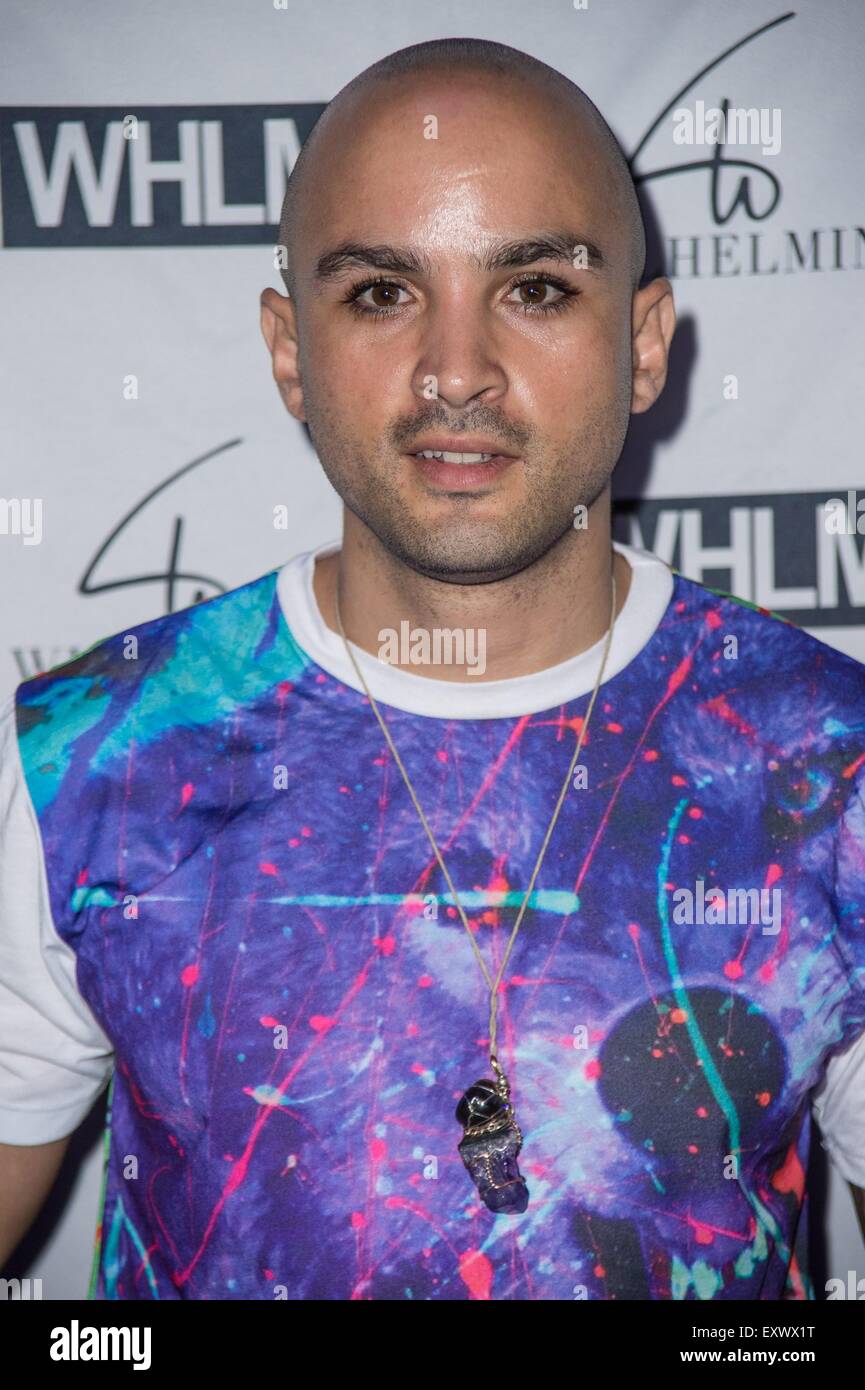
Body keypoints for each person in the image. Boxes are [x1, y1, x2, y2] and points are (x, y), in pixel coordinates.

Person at [1, 36, 863, 1302]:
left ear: (642, 343)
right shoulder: (92, 763)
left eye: (534, 289)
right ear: (290, 348)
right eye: (379, 293)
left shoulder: (828, 770)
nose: (454, 374)